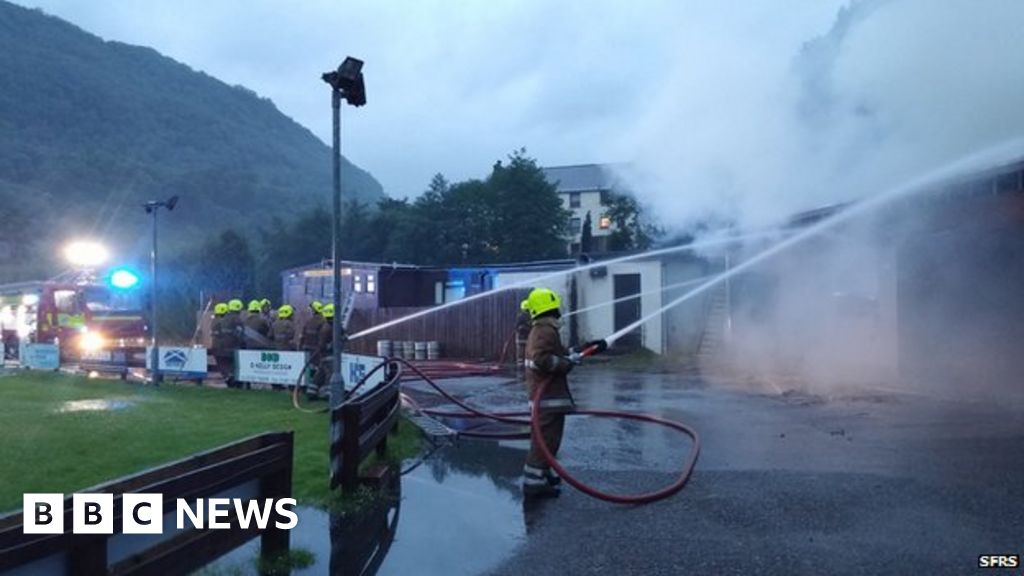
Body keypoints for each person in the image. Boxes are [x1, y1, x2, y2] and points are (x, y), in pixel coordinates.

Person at [521, 287, 605, 498]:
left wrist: (583, 349)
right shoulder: (544, 330)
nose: (560, 310)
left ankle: (544, 475)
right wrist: (566, 364)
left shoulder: (544, 330)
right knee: (544, 442)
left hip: (547, 397)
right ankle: (534, 483)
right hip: (546, 398)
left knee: (549, 441)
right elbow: (543, 359)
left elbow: (555, 353)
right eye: (556, 306)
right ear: (550, 308)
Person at [211, 302, 242, 388]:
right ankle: (231, 379)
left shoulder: (214, 321)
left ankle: (229, 379)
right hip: (226, 347)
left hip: (217, 347)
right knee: (229, 365)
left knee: (222, 366)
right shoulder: (224, 321)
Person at [311, 303, 335, 398]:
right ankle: (328, 394)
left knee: (320, 373)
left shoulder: (323, 326)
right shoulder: (332, 327)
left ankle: (311, 392)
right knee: (331, 373)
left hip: (322, 354)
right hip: (329, 354)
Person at [515, 298, 532, 376]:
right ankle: (527, 365)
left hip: (521, 338)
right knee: (528, 352)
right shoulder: (531, 315)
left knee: (520, 353)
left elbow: (516, 326)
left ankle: (520, 366)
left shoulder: (520, 316)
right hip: (529, 337)